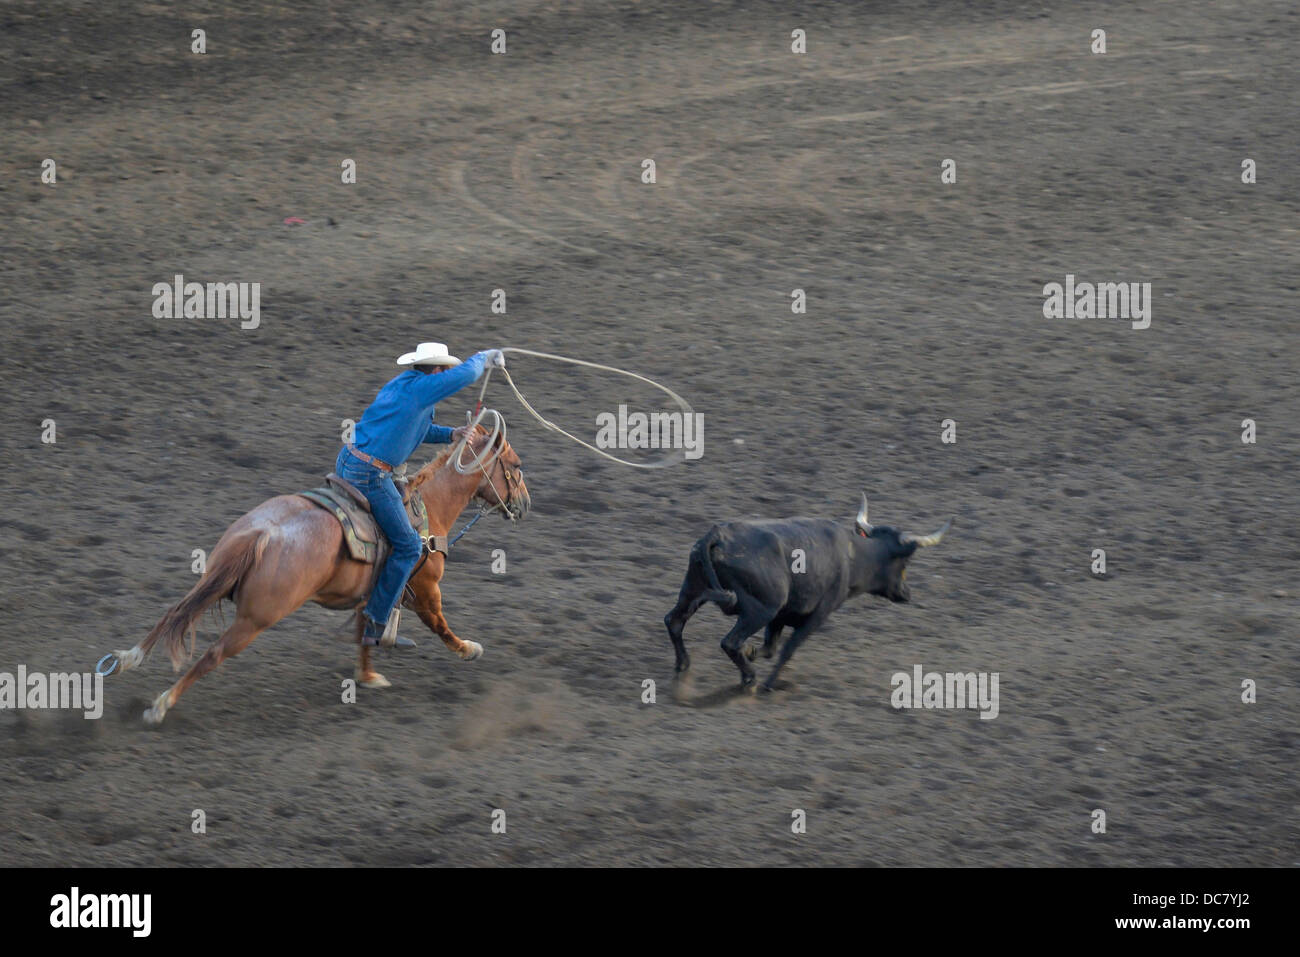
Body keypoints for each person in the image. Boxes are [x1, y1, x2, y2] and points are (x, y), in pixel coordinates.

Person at [336, 342, 505, 645]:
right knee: (410, 547)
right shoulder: (424, 388)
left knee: (397, 529)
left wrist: (452, 434)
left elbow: (419, 429)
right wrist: (485, 357)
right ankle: (376, 623)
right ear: (438, 370)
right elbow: (466, 375)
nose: (447, 374)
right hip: (371, 474)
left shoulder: (405, 386)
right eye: (445, 370)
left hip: (350, 460)